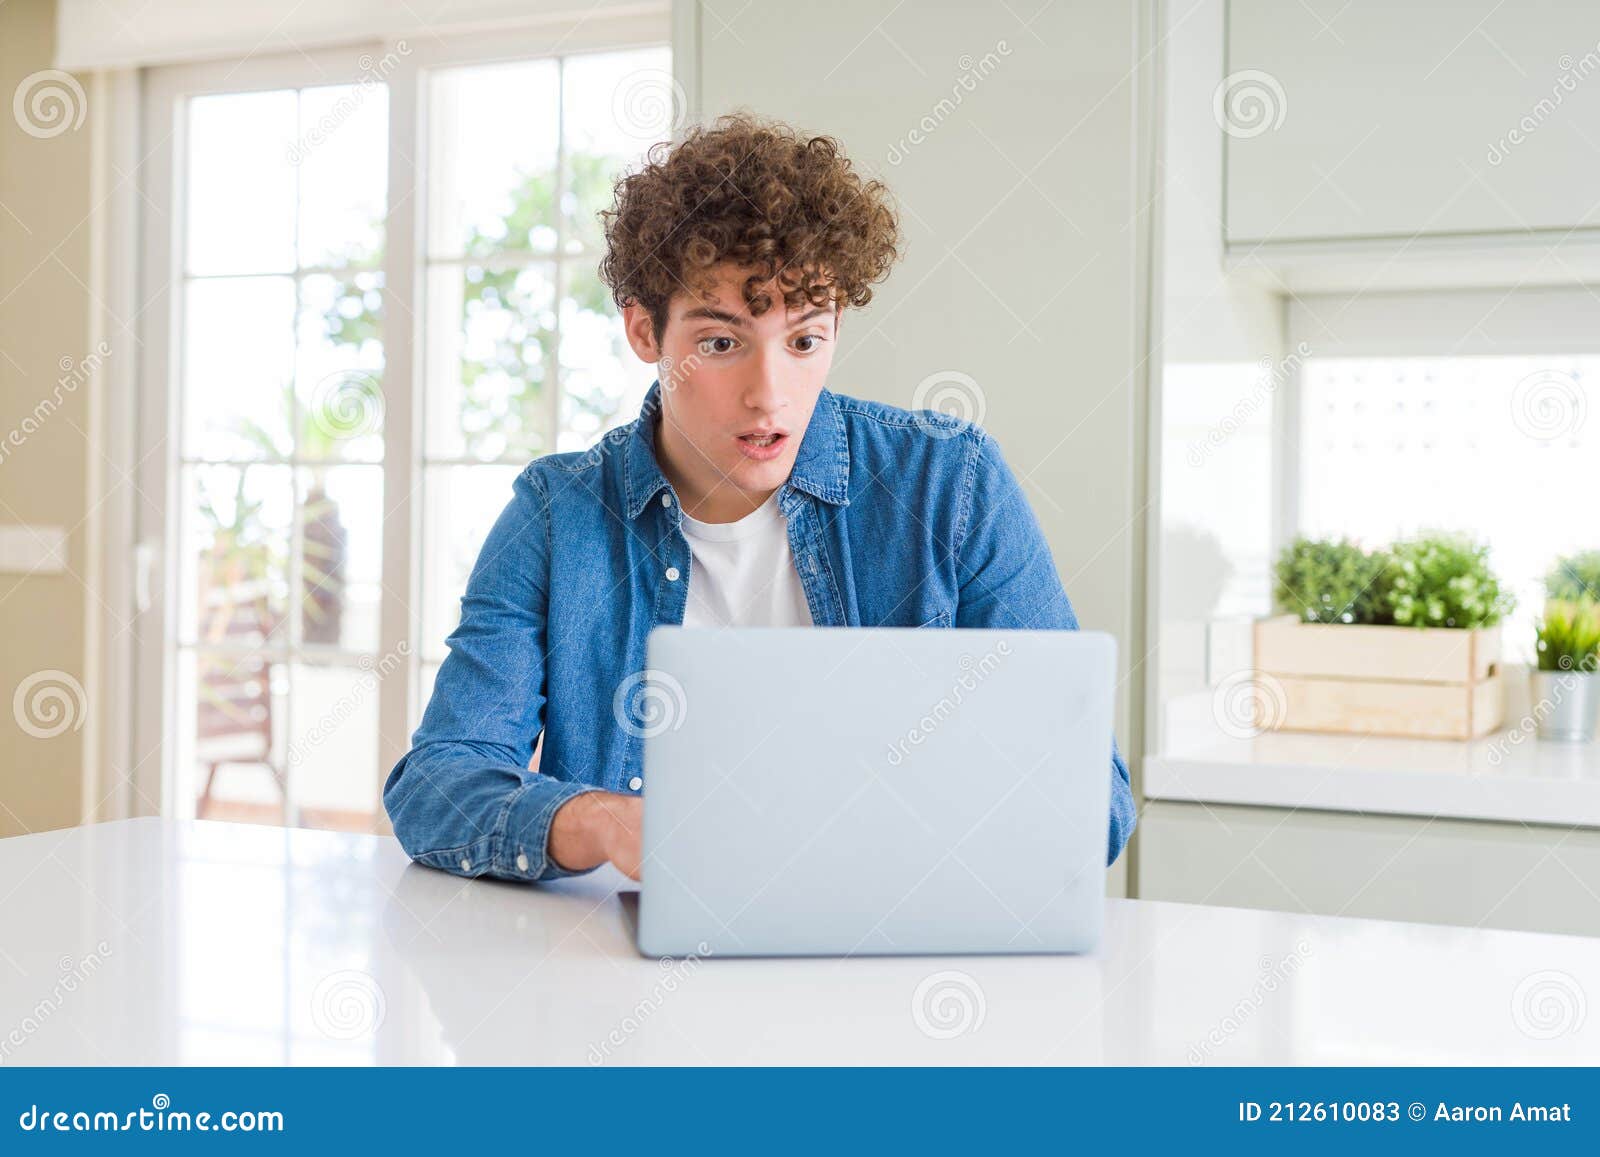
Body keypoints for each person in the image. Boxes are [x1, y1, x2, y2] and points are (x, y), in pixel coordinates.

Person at [383, 112, 1135, 883]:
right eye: (720, 342)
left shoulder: (952, 485)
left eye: (804, 341)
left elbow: (1094, 801)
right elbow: (438, 784)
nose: (768, 395)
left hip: (894, 971)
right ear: (646, 332)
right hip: (627, 976)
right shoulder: (556, 514)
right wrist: (603, 822)